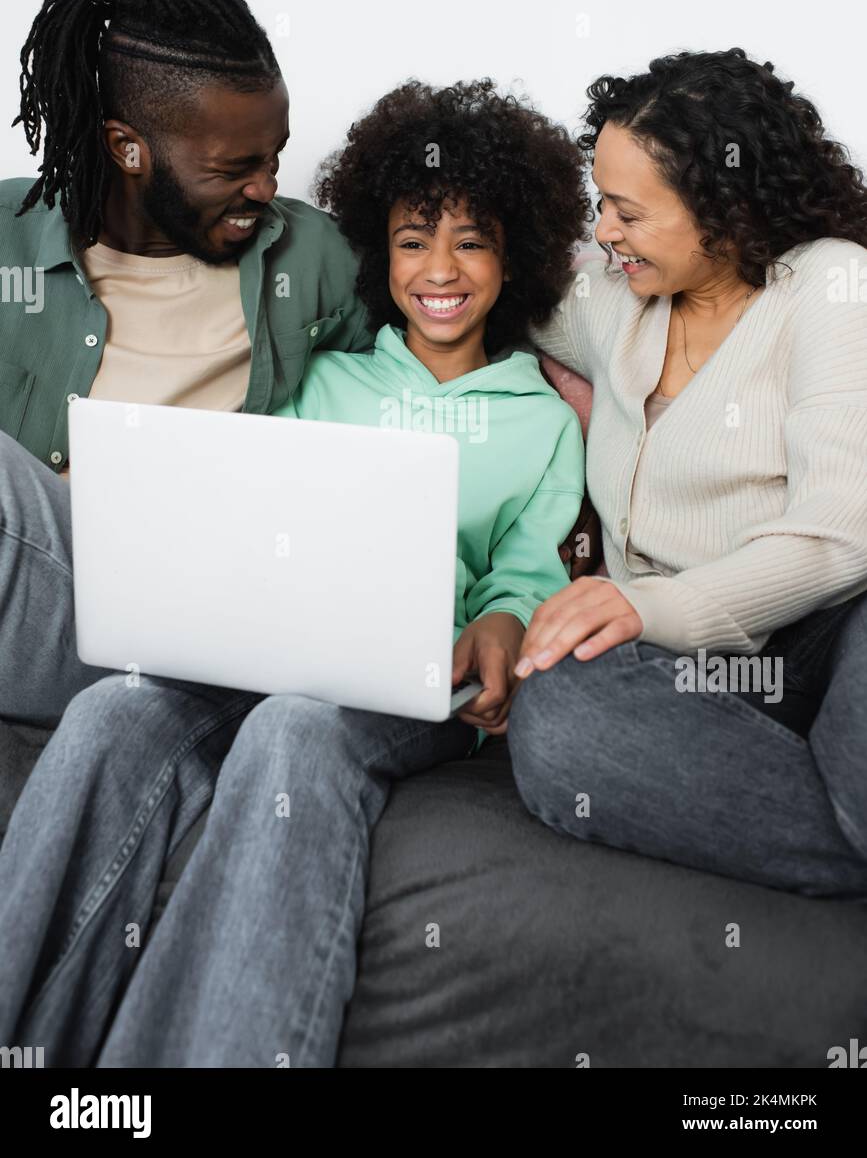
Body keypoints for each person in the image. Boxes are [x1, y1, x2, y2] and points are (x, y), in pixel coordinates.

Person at [0, 79, 587, 1067]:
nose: (439, 268)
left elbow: (524, 574)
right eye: (412, 239)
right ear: (379, 250)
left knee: (295, 729)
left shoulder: (541, 417)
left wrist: (504, 622)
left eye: (471, 241)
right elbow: (254, 500)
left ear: (512, 256)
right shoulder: (331, 375)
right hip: (268, 646)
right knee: (114, 710)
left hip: (408, 678)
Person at [508, 48, 867, 898]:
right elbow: (468, 289)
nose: (601, 233)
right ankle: (845, 855)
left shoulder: (828, 283)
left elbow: (842, 533)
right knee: (556, 707)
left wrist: (644, 601)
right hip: (675, 676)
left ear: (722, 206)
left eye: (627, 213)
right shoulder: (609, 298)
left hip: (819, 639)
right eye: (600, 205)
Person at [0, 0, 372, 731]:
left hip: (198, 623)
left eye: (275, 156)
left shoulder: (313, 259)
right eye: (235, 168)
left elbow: (472, 319)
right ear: (126, 147)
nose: (267, 188)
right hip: (41, 601)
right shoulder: (6, 239)